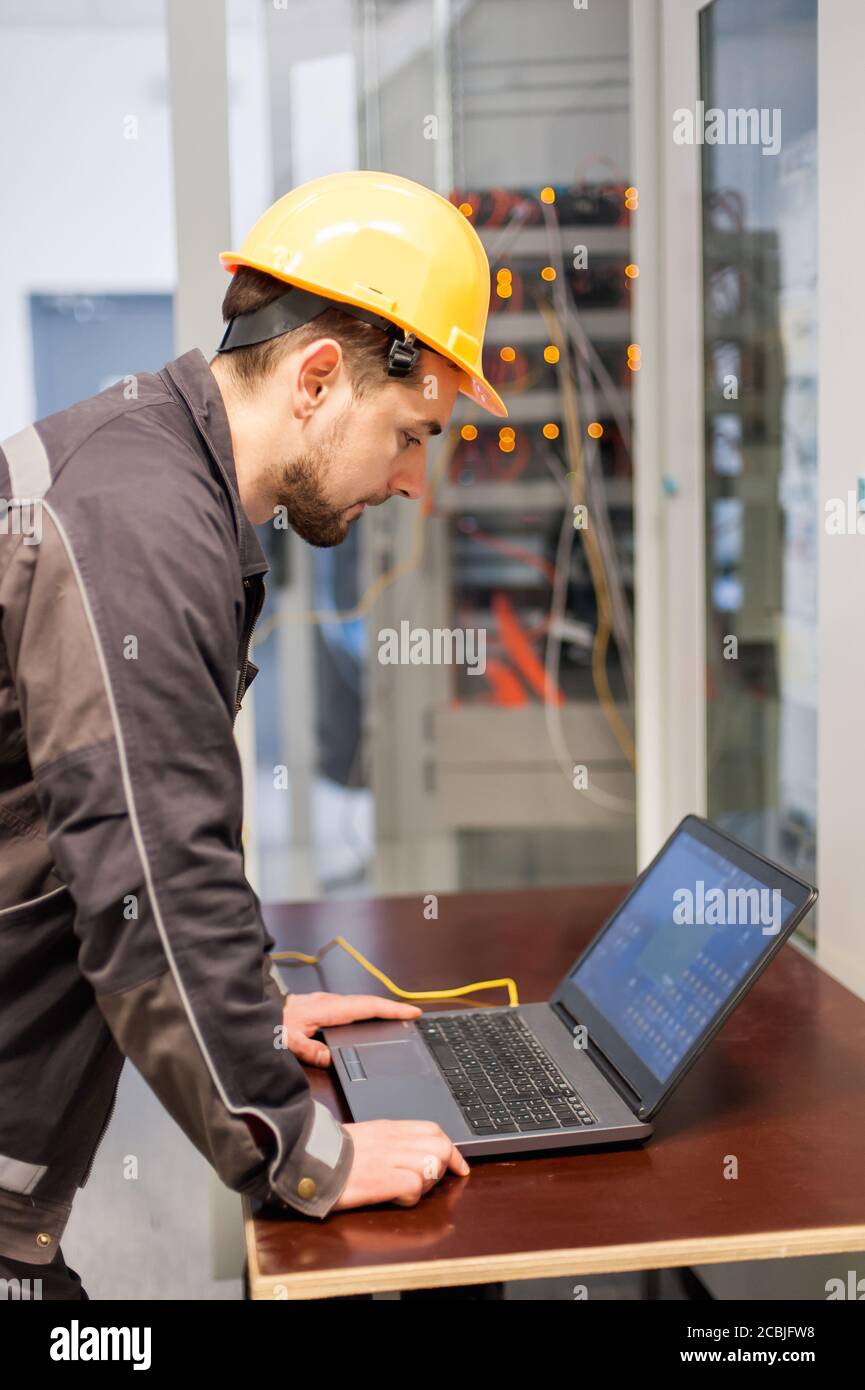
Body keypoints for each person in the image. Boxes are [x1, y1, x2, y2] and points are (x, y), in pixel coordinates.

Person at [0, 170, 507, 1299]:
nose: (416, 481)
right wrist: (304, 1151)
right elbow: (153, 875)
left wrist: (257, 1009)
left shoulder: (157, 484)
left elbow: (117, 828)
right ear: (320, 375)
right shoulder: (141, 528)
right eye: (413, 432)